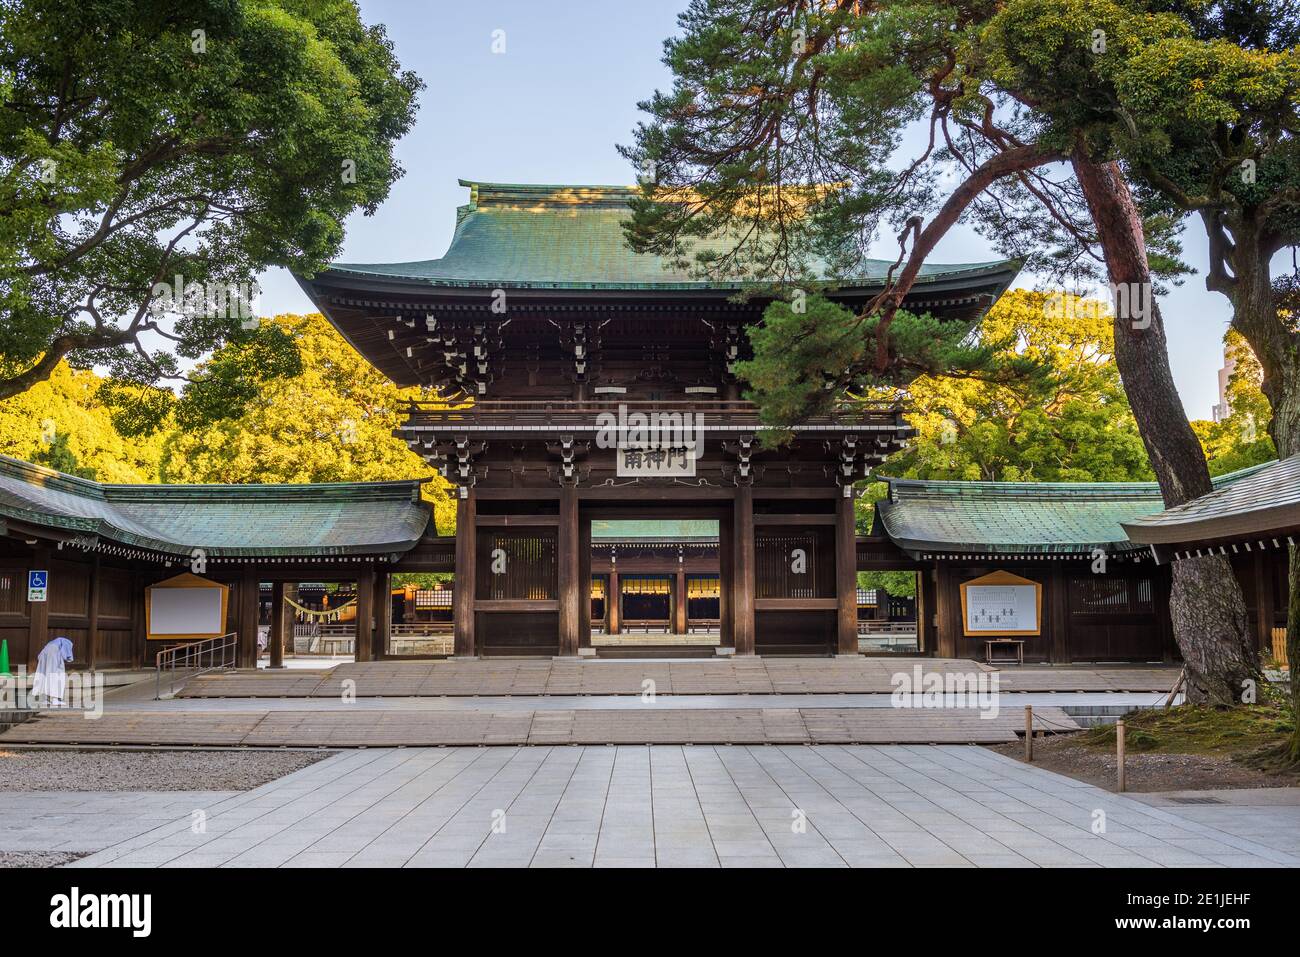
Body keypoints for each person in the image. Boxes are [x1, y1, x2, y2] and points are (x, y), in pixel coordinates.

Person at [31, 636, 74, 707]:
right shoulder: (68, 642)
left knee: (44, 673)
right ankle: (55, 699)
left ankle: (45, 699)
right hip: (54, 652)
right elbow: (66, 655)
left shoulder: (52, 642)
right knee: (57, 674)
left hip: (45, 651)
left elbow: (39, 656)